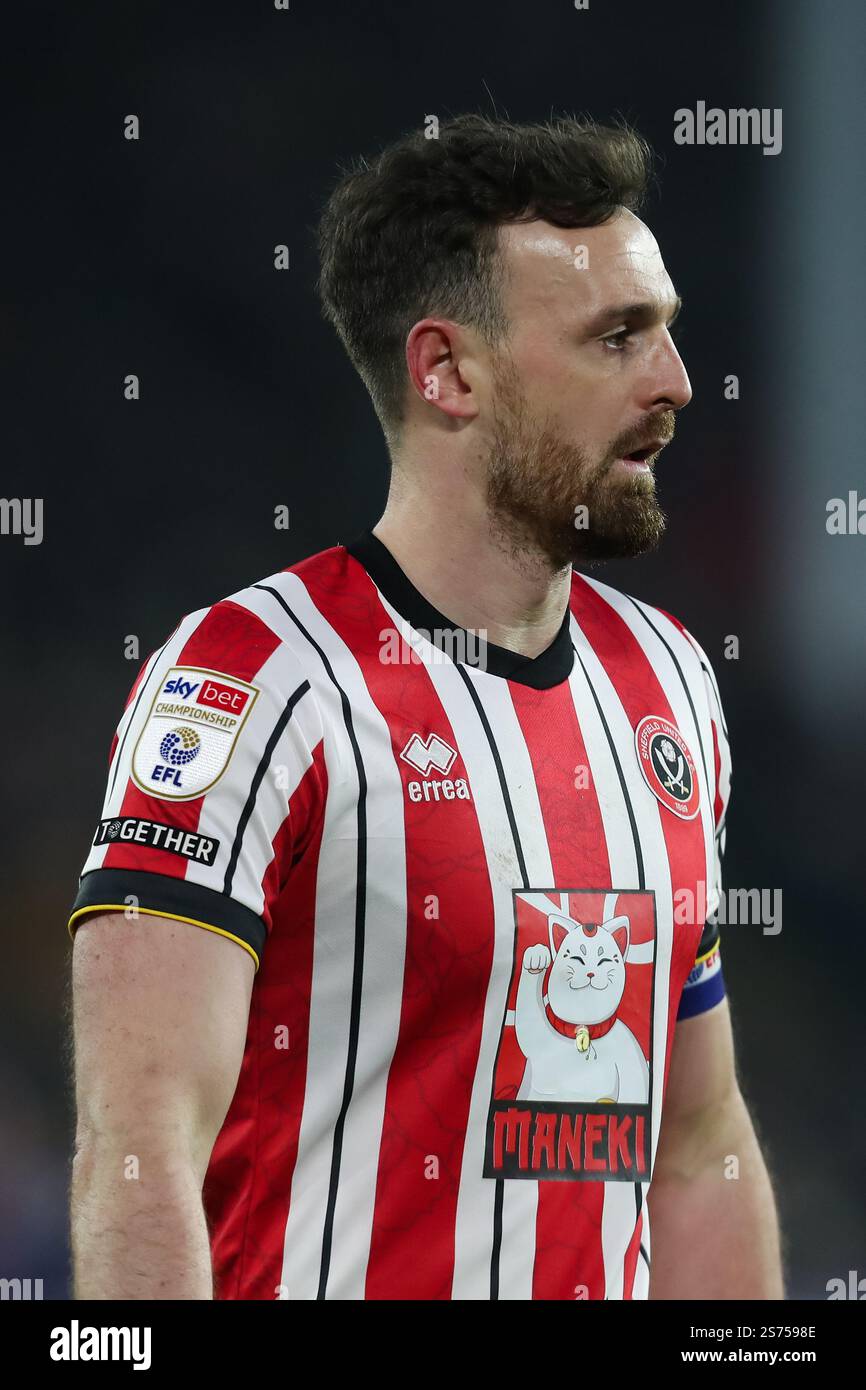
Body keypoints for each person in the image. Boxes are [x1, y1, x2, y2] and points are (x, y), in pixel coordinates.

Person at [68, 113, 783, 1300]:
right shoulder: (251, 680)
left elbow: (696, 1142)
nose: (674, 383)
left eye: (663, 331)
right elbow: (138, 1149)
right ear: (445, 371)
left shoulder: (669, 684)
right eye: (617, 339)